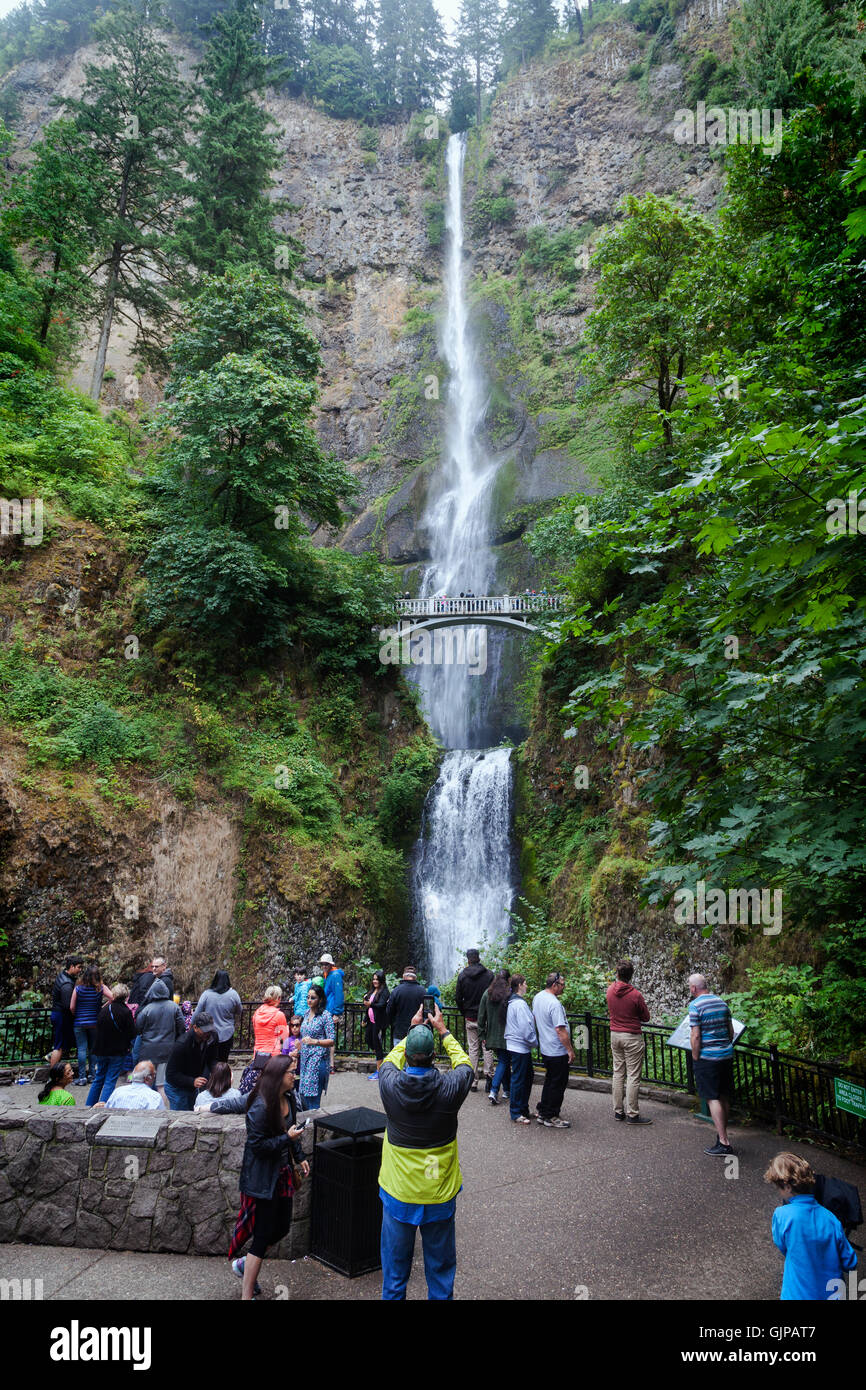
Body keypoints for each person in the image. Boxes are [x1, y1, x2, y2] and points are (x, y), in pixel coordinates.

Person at [377, 1001, 474, 1300]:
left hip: (399, 1192)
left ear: (407, 1055)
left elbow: (388, 1062)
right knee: (441, 1270)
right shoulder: (450, 1089)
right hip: (438, 1192)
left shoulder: (389, 1085)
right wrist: (443, 1030)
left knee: (394, 1273)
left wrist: (410, 1030)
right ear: (434, 1057)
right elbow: (466, 1065)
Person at [229, 1055, 309, 1300]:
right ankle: (246, 1295)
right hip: (262, 1179)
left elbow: (291, 1129)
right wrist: (288, 1140)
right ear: (277, 1075)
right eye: (290, 1072)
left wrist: (299, 1155)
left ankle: (244, 1265)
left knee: (282, 1227)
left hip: (282, 1174)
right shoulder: (260, 1105)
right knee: (262, 1235)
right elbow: (257, 1146)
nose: (294, 1076)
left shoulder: (289, 1098)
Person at [764, 1153, 858, 1299]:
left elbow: (783, 1245)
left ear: (788, 1187)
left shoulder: (782, 1215)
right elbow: (850, 1261)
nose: (779, 1192)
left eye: (779, 1188)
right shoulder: (831, 1219)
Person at [688, 973, 735, 1155]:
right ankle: (722, 1135)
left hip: (708, 1057)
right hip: (725, 1055)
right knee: (723, 1095)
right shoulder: (722, 1002)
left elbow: (696, 1035)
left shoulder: (695, 1006)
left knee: (711, 1097)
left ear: (694, 988)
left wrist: (695, 1056)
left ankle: (723, 1141)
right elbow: (730, 1031)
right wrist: (725, 1045)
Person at [607, 958, 651, 1124]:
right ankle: (632, 1113)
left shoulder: (610, 990)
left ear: (617, 974)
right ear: (631, 976)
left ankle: (618, 1112)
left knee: (618, 1073)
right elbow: (646, 1017)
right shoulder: (635, 995)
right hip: (632, 1036)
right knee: (633, 1076)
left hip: (615, 1034)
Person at [532, 971, 575, 1129]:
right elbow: (560, 1030)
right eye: (562, 985)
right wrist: (569, 1050)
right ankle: (552, 1116)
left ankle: (543, 1112)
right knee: (558, 1084)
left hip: (545, 1047)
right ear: (555, 985)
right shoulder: (554, 1004)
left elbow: (535, 1019)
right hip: (557, 1050)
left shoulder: (538, 997)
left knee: (550, 1081)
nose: (564, 987)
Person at [86, 983, 136, 1106]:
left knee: (99, 1078)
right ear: (126, 996)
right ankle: (104, 1106)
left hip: (101, 1049)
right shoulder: (126, 1012)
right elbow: (132, 1032)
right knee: (110, 1080)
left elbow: (98, 1028)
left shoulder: (104, 1010)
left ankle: (89, 1105)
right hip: (117, 1051)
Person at [134, 979, 185, 1099]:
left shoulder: (147, 1009)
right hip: (167, 1049)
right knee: (162, 1083)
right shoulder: (174, 1007)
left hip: (148, 1050)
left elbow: (138, 1028)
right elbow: (181, 1027)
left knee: (146, 1079)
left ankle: (146, 1104)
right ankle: (161, 1106)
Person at [455, 949, 494, 1091]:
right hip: (486, 1018)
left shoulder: (462, 976)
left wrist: (464, 1012)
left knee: (473, 1049)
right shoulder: (489, 975)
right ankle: (490, 1078)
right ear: (478, 958)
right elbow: (494, 996)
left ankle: (473, 1081)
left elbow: (458, 998)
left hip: (470, 1017)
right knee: (487, 1047)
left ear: (468, 959)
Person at [69, 966, 113, 1085]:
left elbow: (72, 1007)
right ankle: (93, 1075)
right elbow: (113, 997)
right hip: (94, 1022)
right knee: (93, 1049)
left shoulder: (78, 988)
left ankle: (82, 1077)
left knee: (82, 1049)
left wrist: (77, 1014)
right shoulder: (100, 988)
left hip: (79, 1022)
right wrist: (103, 1008)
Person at [164, 1013, 217, 1110]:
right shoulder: (182, 1044)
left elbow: (211, 1059)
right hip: (176, 1088)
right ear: (195, 1027)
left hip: (191, 1085)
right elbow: (171, 1075)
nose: (208, 1033)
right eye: (205, 1031)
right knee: (180, 1118)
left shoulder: (211, 1037)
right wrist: (192, 1081)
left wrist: (219, 1071)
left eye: (210, 1030)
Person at [503, 975, 537, 1124]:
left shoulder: (514, 1002)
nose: (527, 986)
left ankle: (523, 1108)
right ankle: (516, 1112)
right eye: (526, 983)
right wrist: (534, 1041)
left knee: (527, 1077)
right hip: (519, 1046)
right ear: (520, 985)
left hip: (516, 1045)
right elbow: (525, 1027)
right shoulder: (519, 1004)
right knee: (519, 1079)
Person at [298, 984, 335, 1109]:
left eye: (313, 998)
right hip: (304, 1060)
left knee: (313, 1097)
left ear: (320, 999)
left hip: (318, 1060)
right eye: (308, 997)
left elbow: (331, 1040)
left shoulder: (325, 1015)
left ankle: (314, 1125)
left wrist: (315, 1041)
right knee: (303, 1095)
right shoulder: (306, 1013)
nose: (309, 1000)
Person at [477, 969, 511, 1105]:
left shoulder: (487, 993)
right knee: (503, 1062)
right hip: (506, 1036)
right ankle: (494, 1090)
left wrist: (482, 1035)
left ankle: (507, 1090)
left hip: (491, 1035)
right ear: (508, 980)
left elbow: (481, 1017)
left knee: (504, 1061)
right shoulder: (509, 994)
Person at [193, 971, 242, 1062]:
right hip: (227, 1033)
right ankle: (222, 1075)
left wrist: (191, 1026)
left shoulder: (206, 994)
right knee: (223, 1060)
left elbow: (197, 1012)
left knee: (208, 1060)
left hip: (208, 1033)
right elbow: (239, 1010)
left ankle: (209, 1075)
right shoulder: (233, 994)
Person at [48, 957, 83, 1068]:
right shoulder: (66, 984)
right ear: (71, 966)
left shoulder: (63, 976)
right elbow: (68, 1005)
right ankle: (53, 1074)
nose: (80, 969)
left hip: (58, 1014)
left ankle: (51, 1059)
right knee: (58, 1046)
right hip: (61, 1016)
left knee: (62, 1043)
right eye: (79, 967)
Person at [101, 1060, 165, 1110]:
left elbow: (108, 1109)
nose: (154, 1077)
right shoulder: (154, 1097)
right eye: (154, 1075)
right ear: (147, 1078)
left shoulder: (118, 1091)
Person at [386, 967, 426, 1044]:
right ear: (415, 977)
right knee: (416, 1055)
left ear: (404, 976)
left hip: (399, 1032)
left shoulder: (396, 990)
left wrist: (394, 1024)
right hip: (417, 1033)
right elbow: (428, 1012)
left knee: (399, 1055)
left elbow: (389, 1011)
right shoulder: (423, 991)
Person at [252, 986, 289, 1057]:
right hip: (273, 1054)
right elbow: (285, 1038)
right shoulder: (279, 1015)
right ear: (278, 998)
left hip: (257, 1054)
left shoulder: (257, 1013)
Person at [364, 970, 390, 1062]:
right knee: (367, 1039)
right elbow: (369, 1007)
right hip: (371, 1020)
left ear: (381, 980)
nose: (375, 981)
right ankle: (378, 1057)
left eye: (377, 979)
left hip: (379, 1022)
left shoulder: (385, 992)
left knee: (377, 1044)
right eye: (374, 979)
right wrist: (365, 1019)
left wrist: (370, 1004)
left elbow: (382, 1005)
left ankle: (379, 1070)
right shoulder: (373, 990)